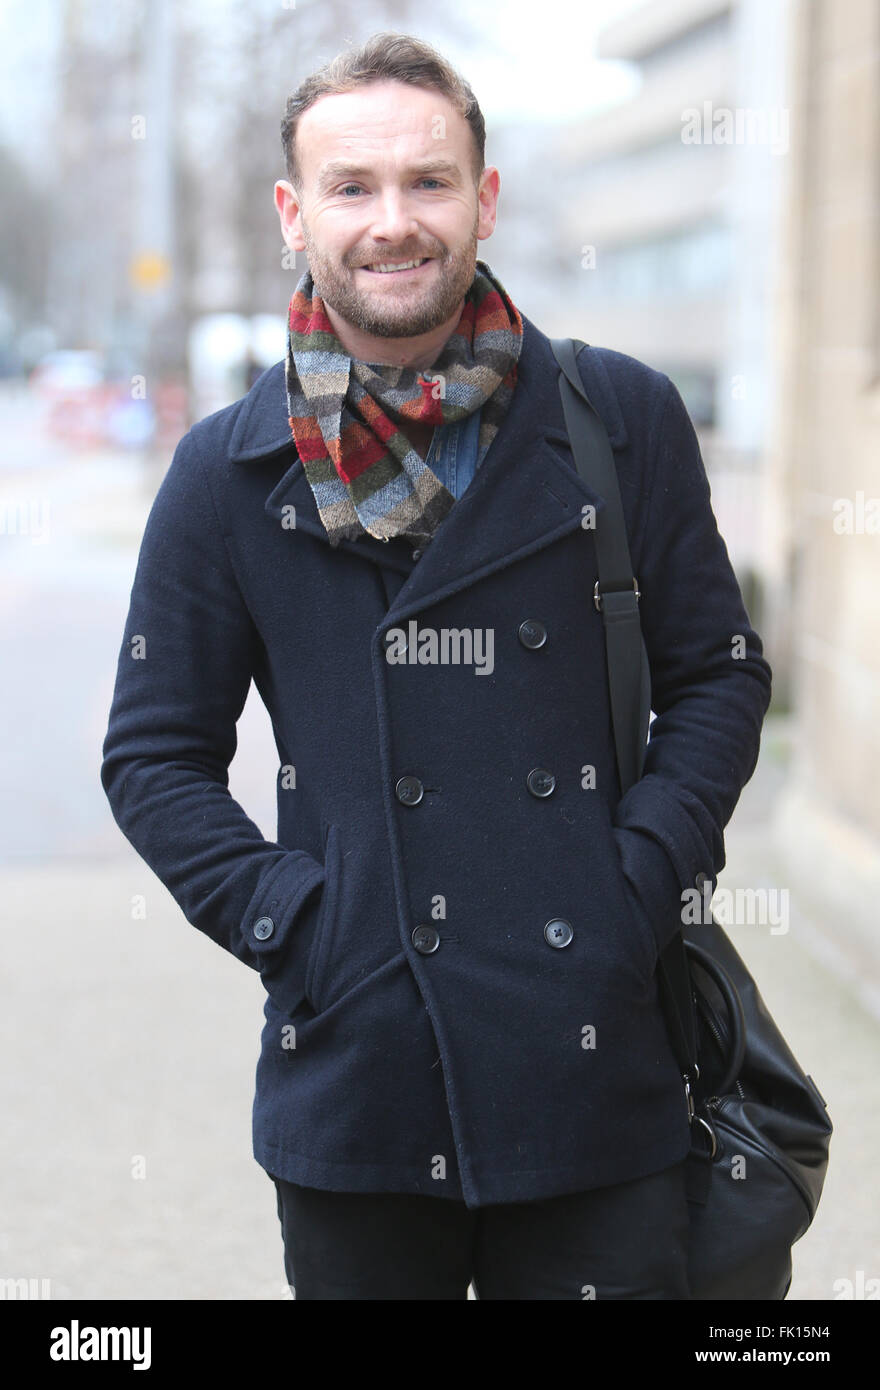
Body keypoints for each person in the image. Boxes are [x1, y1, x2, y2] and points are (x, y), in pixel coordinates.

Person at [100, 31, 772, 1300]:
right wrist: (300, 924)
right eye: (352, 187)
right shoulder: (228, 471)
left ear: (485, 198)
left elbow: (720, 673)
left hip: (596, 1069)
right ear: (296, 216)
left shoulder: (615, 419)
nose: (392, 221)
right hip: (357, 1073)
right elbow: (152, 757)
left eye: (429, 182)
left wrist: (634, 882)